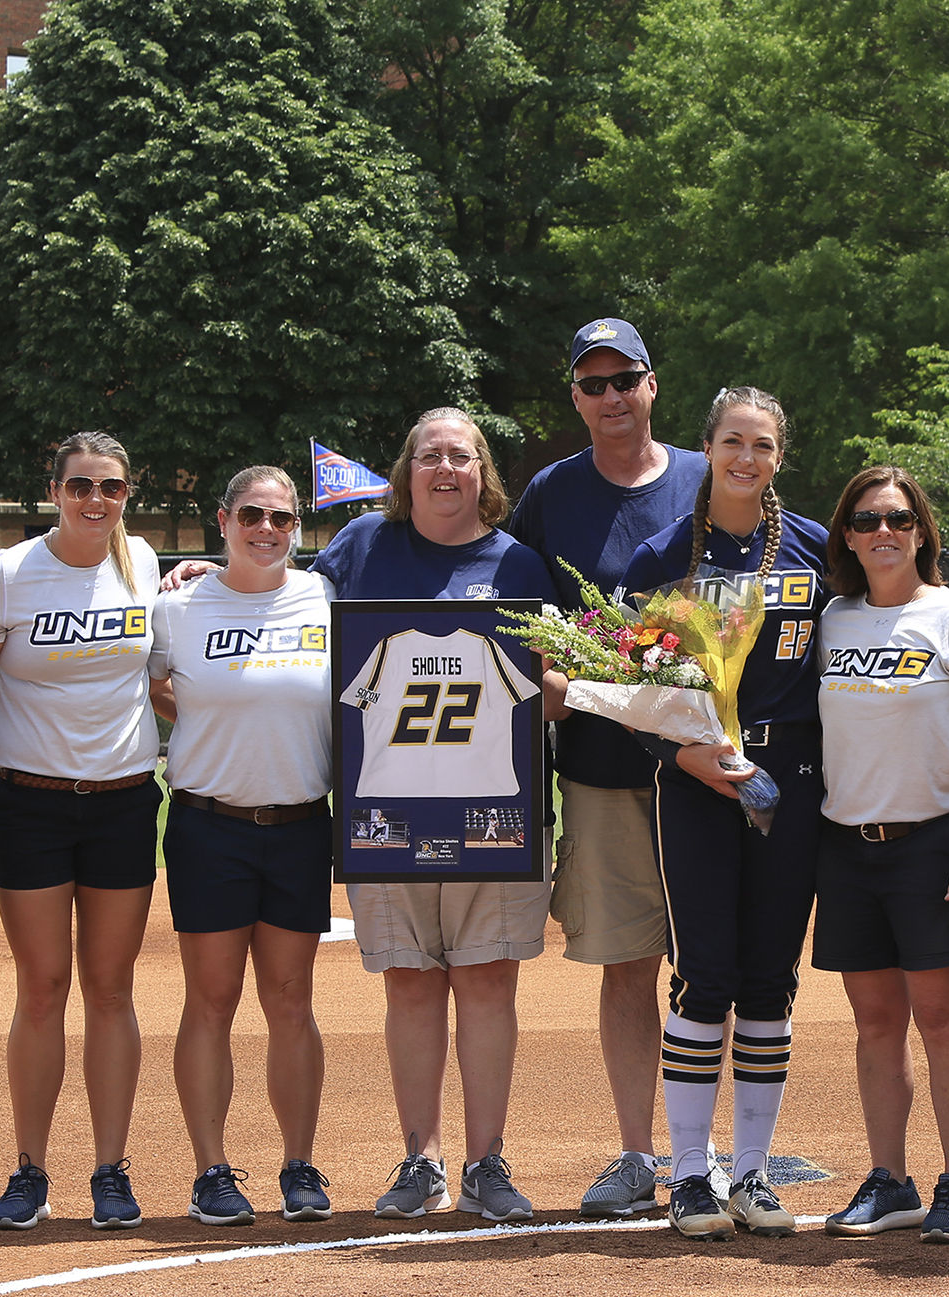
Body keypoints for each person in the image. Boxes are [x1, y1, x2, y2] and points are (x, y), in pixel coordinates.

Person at [313, 409, 556, 1224]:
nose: (444, 468)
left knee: (487, 978)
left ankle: (487, 1161)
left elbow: (548, 694)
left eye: (460, 455)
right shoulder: (359, 547)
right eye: (429, 455)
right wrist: (200, 577)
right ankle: (421, 1158)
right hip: (387, 806)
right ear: (405, 470)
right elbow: (282, 604)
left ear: (482, 472)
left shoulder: (518, 562)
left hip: (495, 808)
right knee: (412, 985)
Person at [506, 318, 711, 1217]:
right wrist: (549, 679)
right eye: (592, 384)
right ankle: (638, 1152)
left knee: (717, 960)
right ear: (576, 398)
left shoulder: (711, 478)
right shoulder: (551, 493)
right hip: (598, 767)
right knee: (628, 963)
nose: (610, 397)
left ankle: (716, 1146)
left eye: (624, 378)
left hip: (706, 763)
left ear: (652, 385)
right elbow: (508, 607)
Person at [621, 387, 830, 1240]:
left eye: (764, 444)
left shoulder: (818, 549)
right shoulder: (664, 552)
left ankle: (752, 1173)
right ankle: (689, 1174)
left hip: (796, 778)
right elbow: (632, 690)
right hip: (699, 779)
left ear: (781, 455)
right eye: (733, 440)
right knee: (705, 974)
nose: (747, 457)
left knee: (771, 977)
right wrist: (681, 757)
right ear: (707, 446)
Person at [813, 466, 949, 1244]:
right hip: (848, 845)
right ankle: (889, 1179)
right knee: (876, 1021)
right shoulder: (832, 619)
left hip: (935, 841)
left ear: (922, 530)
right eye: (865, 520)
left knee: (942, 1018)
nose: (882, 532)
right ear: (848, 536)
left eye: (897, 518)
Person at [0, 432, 162, 1231]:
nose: (96, 499)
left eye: (111, 486)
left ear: (127, 493)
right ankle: (30, 1169)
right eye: (80, 485)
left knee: (112, 989)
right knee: (43, 986)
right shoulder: (8, 575)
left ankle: (110, 1169)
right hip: (32, 803)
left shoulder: (144, 565)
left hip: (122, 801)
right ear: (54, 490)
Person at [148, 465, 336, 1226]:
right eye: (253, 514)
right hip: (208, 824)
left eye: (283, 519)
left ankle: (299, 1164)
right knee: (212, 998)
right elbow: (153, 684)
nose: (267, 529)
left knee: (292, 999)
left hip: (298, 822)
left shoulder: (324, 596)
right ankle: (211, 1171)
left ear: (298, 526)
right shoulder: (179, 604)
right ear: (223, 520)